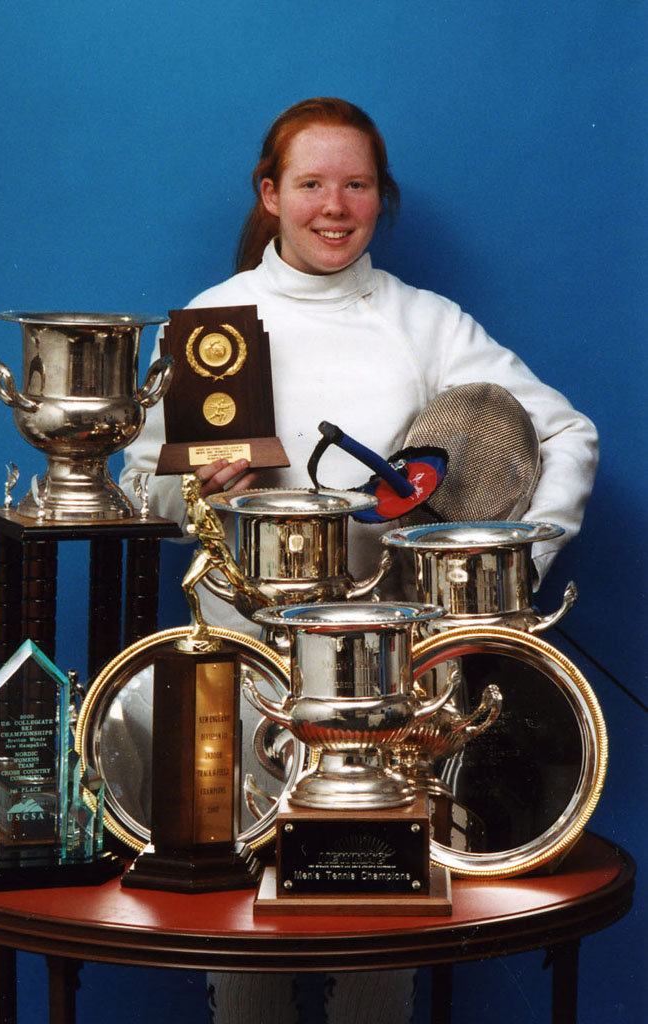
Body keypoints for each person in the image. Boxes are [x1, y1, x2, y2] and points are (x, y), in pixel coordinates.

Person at [120, 97, 598, 1023]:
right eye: (311, 184)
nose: (334, 207)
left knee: (382, 919)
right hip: (244, 665)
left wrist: (506, 576)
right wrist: (198, 491)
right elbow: (142, 489)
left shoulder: (424, 323)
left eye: (358, 185)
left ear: (382, 197)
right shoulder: (215, 320)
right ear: (270, 194)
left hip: (393, 674)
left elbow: (565, 433)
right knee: (245, 917)